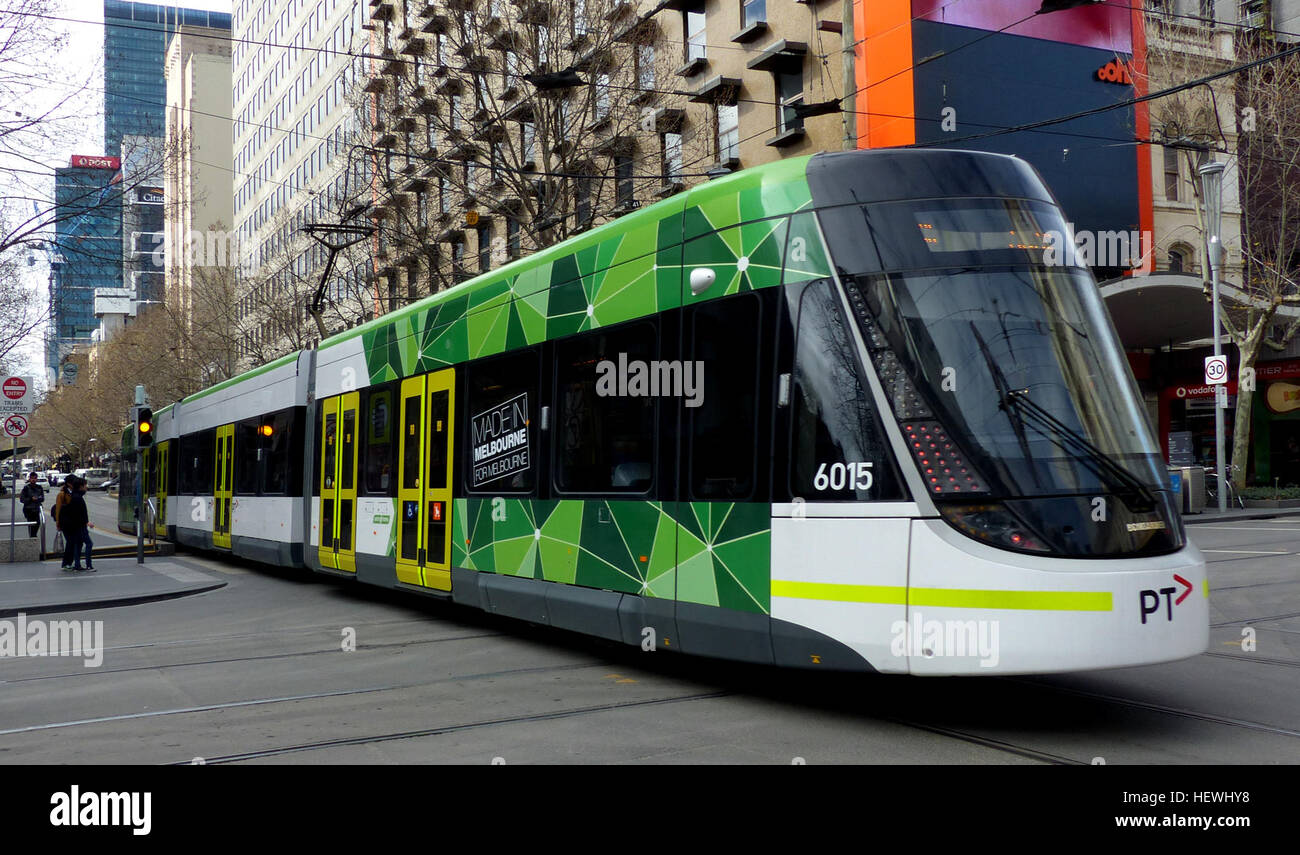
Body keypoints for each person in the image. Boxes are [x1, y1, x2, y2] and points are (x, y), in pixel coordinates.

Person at [58, 476, 94, 572]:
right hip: (78, 525)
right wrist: (86, 522)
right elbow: (78, 513)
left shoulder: (73, 495)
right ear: (80, 487)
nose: (86, 487)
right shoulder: (75, 497)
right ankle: (87, 565)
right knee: (87, 544)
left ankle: (76, 565)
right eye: (85, 485)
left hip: (75, 525)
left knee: (77, 544)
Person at [20, 472, 44, 537]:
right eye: (32, 478)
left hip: (37, 509)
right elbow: (22, 499)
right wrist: (31, 499)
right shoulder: (26, 488)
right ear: (29, 479)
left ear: (37, 479)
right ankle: (32, 537)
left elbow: (42, 498)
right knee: (31, 525)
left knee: (38, 523)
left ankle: (34, 536)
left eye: (35, 478)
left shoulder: (39, 487)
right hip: (29, 510)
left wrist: (38, 499)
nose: (33, 480)